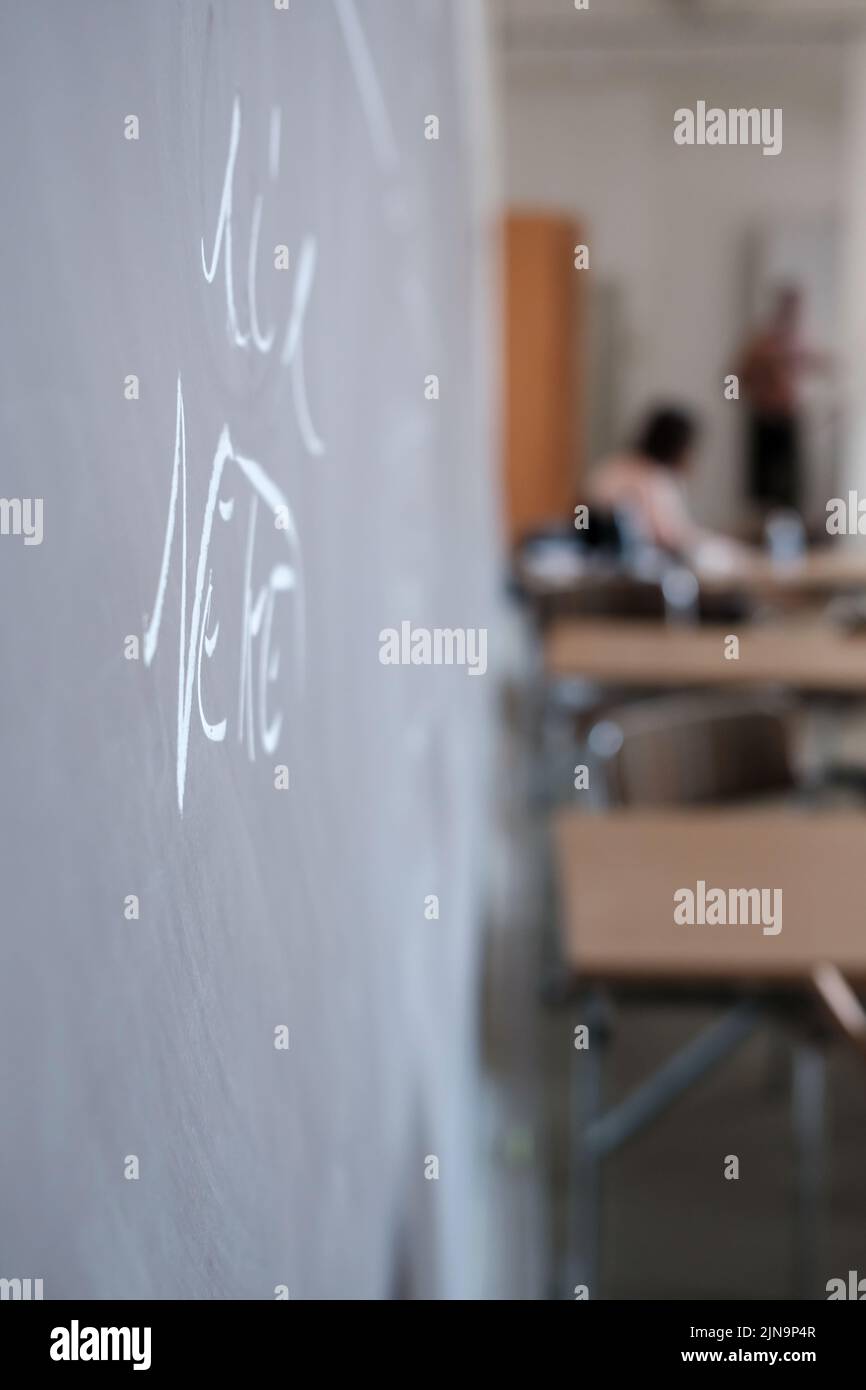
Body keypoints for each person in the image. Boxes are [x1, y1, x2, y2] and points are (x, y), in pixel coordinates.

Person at [589, 405, 729, 561]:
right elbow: (670, 537)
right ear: (679, 447)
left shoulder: (612, 466)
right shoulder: (655, 479)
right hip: (635, 567)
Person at [737, 285, 827, 511]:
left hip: (790, 415)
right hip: (766, 416)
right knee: (764, 479)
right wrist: (749, 398)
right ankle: (763, 524)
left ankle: (790, 524)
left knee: (793, 480)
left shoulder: (798, 341)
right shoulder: (762, 342)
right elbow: (737, 375)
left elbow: (818, 365)